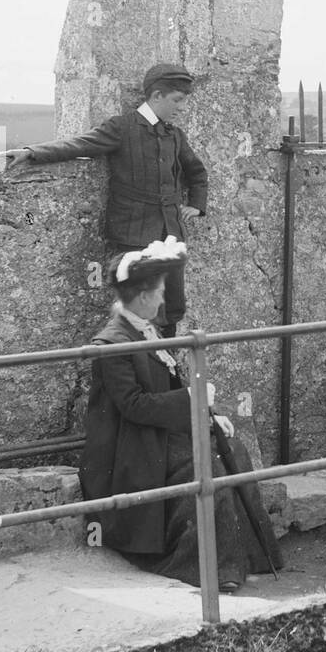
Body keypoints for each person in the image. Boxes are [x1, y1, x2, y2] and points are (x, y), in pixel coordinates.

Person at [78, 239, 282, 592]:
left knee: (232, 448)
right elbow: (135, 406)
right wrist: (191, 399)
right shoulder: (110, 345)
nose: (162, 300)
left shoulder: (143, 328)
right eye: (158, 292)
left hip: (156, 434)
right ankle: (208, 569)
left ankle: (248, 557)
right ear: (142, 296)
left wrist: (209, 413)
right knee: (204, 467)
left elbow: (173, 384)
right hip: (129, 449)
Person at [0, 63, 209, 336]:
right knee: (138, 308)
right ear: (156, 96)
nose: (181, 108)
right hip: (133, 234)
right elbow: (79, 144)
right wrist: (32, 152)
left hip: (170, 234)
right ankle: (141, 369)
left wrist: (196, 204)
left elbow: (197, 171)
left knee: (171, 308)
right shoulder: (122, 128)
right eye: (177, 101)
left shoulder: (175, 136)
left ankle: (164, 370)